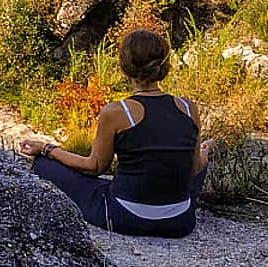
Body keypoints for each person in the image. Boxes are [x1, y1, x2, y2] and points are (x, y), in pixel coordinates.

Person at [20, 28, 215, 238]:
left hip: (125, 217)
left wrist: (48, 149)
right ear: (164, 65)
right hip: (179, 222)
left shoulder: (117, 112)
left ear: (125, 66)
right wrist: (204, 151)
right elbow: (194, 167)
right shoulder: (188, 108)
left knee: (44, 165)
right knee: (199, 159)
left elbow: (94, 167)